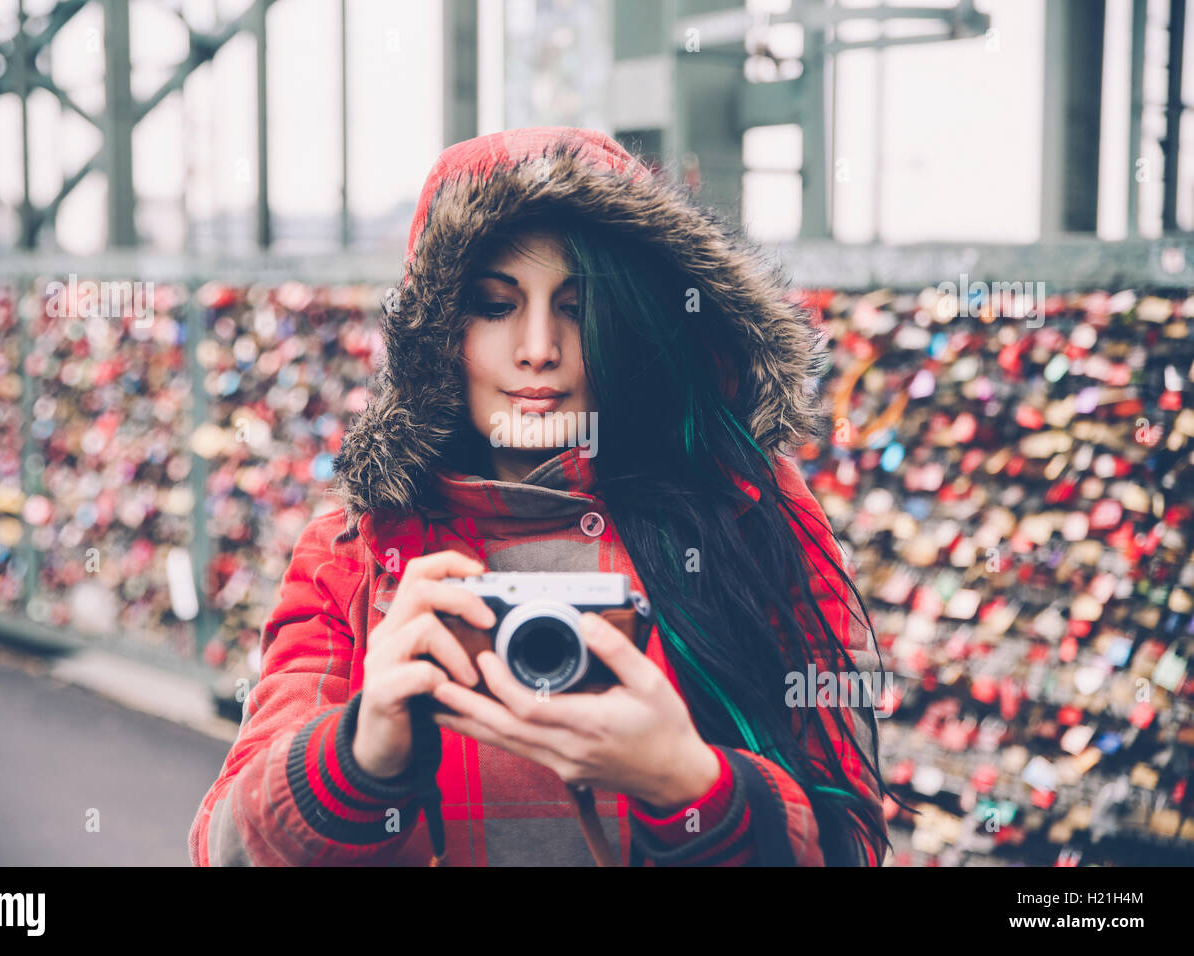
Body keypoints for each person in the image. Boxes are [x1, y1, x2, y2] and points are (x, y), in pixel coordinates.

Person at [188, 127, 893, 866]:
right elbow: (227, 849)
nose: (536, 348)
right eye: (494, 306)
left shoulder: (750, 511)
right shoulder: (356, 549)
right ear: (436, 333)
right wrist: (360, 754)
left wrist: (692, 786)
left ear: (630, 321)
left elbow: (852, 839)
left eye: (577, 306)